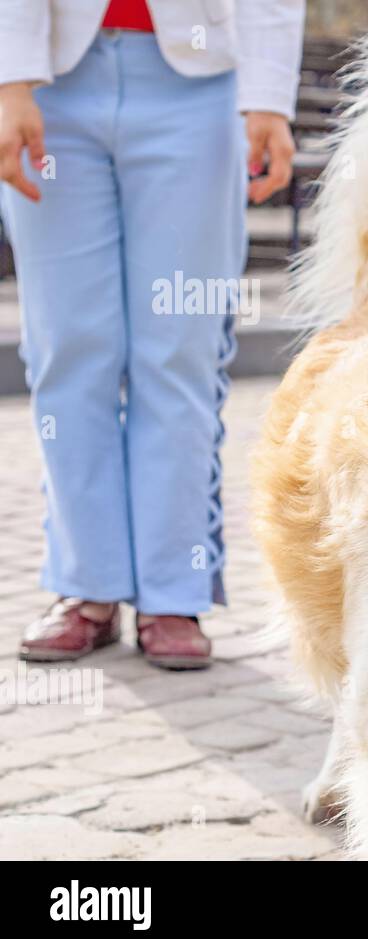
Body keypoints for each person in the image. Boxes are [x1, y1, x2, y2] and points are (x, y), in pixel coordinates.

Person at [0, 0, 304, 669]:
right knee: (67, 350)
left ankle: (174, 590)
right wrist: (9, 76)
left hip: (198, 92)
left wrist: (268, 98)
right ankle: (86, 587)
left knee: (179, 349)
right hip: (52, 86)